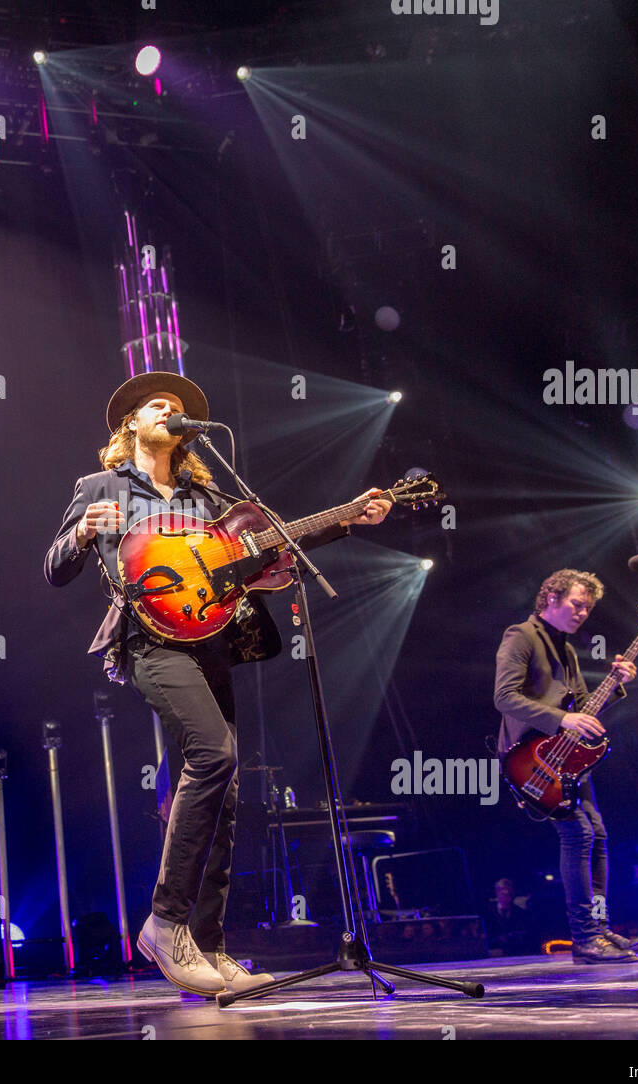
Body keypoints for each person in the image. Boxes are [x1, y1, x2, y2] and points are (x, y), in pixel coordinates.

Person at [45, 371, 391, 996]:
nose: (168, 410)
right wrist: (80, 532)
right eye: (157, 405)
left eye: (177, 408)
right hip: (147, 639)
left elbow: (263, 551)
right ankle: (164, 921)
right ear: (131, 424)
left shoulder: (206, 501)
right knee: (216, 753)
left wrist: (347, 520)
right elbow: (55, 569)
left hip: (211, 640)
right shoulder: (99, 487)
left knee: (224, 791)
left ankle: (207, 943)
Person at [493, 568, 638, 965]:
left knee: (597, 834)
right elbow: (505, 697)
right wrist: (561, 720)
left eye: (588, 608)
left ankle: (599, 930)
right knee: (579, 835)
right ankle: (583, 937)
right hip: (530, 757)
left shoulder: (566, 650)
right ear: (551, 598)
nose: (583, 613)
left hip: (565, 756)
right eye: (577, 604)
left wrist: (615, 683)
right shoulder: (521, 635)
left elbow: (583, 711)